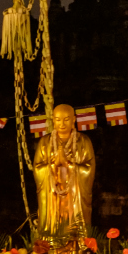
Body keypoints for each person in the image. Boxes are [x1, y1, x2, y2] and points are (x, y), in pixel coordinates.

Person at [33, 103, 96, 242]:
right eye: (58, 119)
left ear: (74, 120)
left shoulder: (83, 141)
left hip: (74, 195)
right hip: (52, 196)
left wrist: (70, 166)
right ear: (53, 120)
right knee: (51, 230)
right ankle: (49, 245)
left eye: (66, 119)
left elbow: (90, 169)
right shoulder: (45, 142)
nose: (62, 123)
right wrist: (53, 165)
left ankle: (78, 243)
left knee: (75, 229)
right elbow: (37, 169)